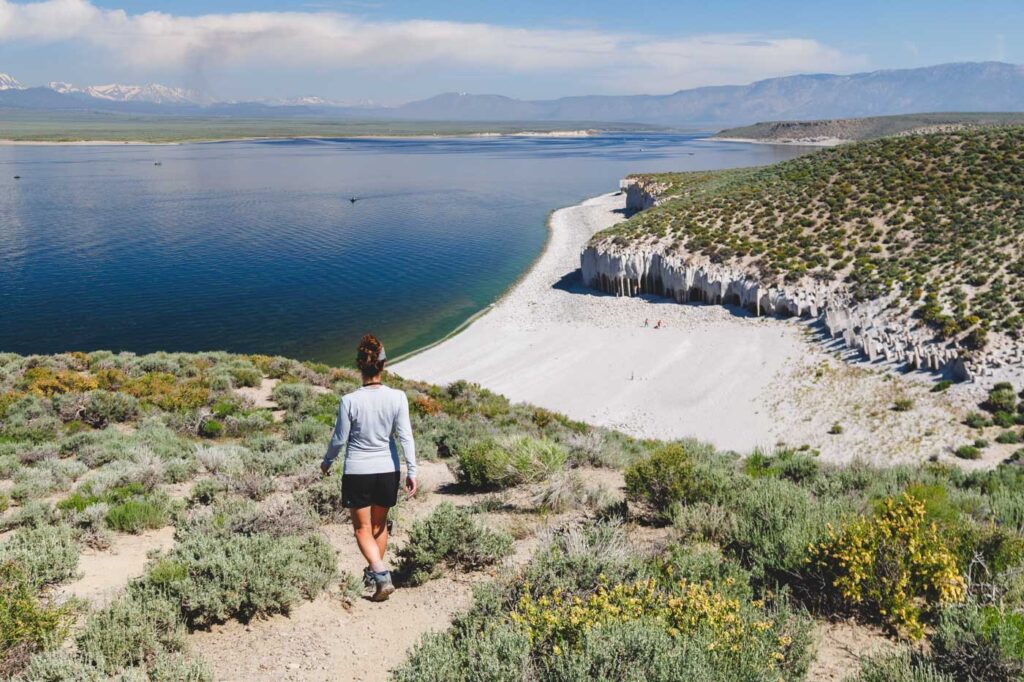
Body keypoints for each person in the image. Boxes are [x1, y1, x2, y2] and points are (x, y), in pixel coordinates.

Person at [321, 334, 417, 601]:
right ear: (383, 365)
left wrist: (327, 462)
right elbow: (405, 436)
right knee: (379, 526)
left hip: (358, 471)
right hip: (388, 470)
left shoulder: (349, 401)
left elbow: (339, 439)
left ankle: (381, 575)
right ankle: (375, 574)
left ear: (359, 366)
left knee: (362, 529)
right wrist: (412, 470)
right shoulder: (398, 397)